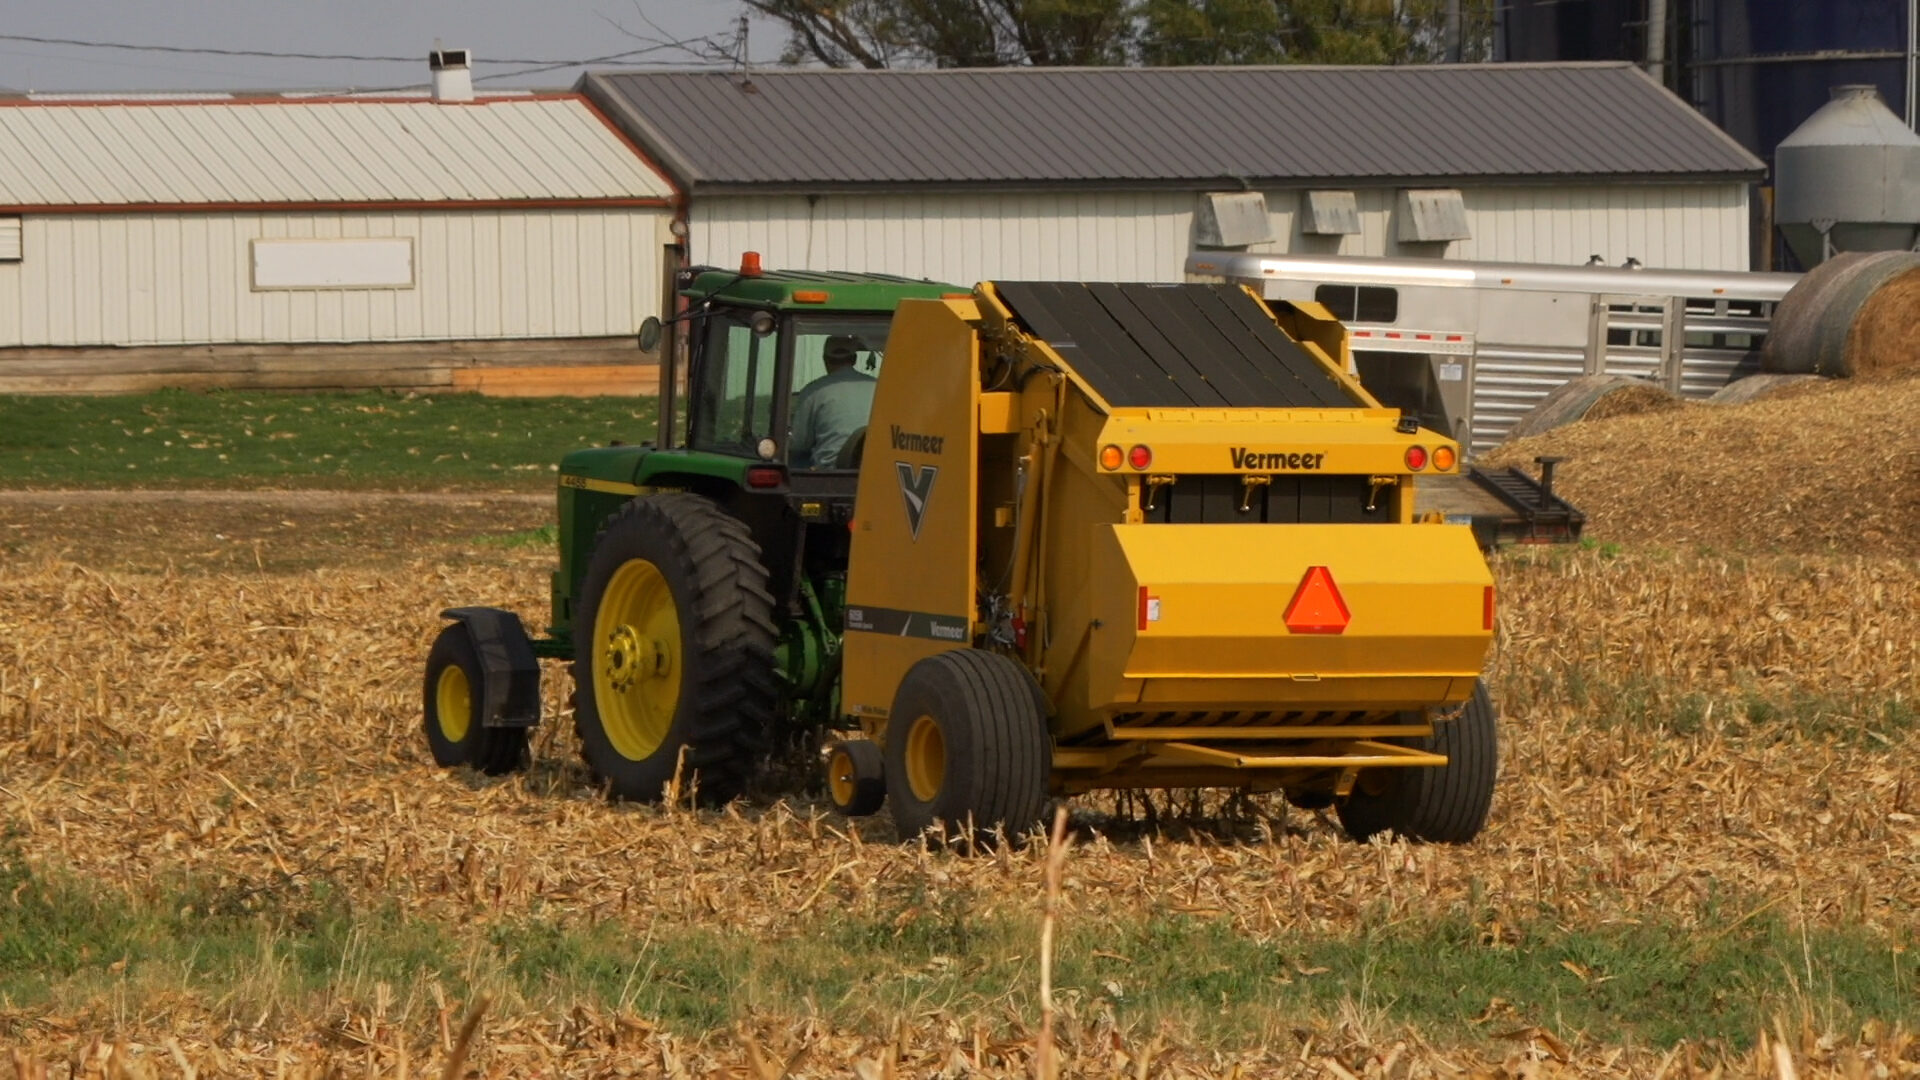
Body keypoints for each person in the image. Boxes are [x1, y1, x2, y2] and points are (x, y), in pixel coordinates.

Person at [789, 335, 876, 469]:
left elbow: (800, 443)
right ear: (854, 359)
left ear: (825, 359)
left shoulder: (813, 390)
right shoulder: (879, 387)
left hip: (830, 469)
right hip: (875, 466)